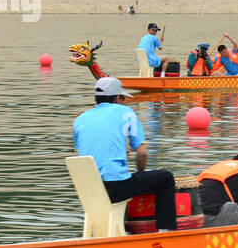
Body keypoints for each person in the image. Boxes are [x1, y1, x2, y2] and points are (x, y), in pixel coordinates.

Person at [73, 77, 177, 232]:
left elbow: (83, 154)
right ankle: (166, 232)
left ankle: (120, 229)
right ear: (117, 98)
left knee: (124, 178)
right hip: (115, 188)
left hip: (88, 192)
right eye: (123, 98)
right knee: (166, 178)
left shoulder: (80, 119)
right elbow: (142, 153)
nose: (124, 102)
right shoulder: (126, 113)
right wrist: (140, 173)